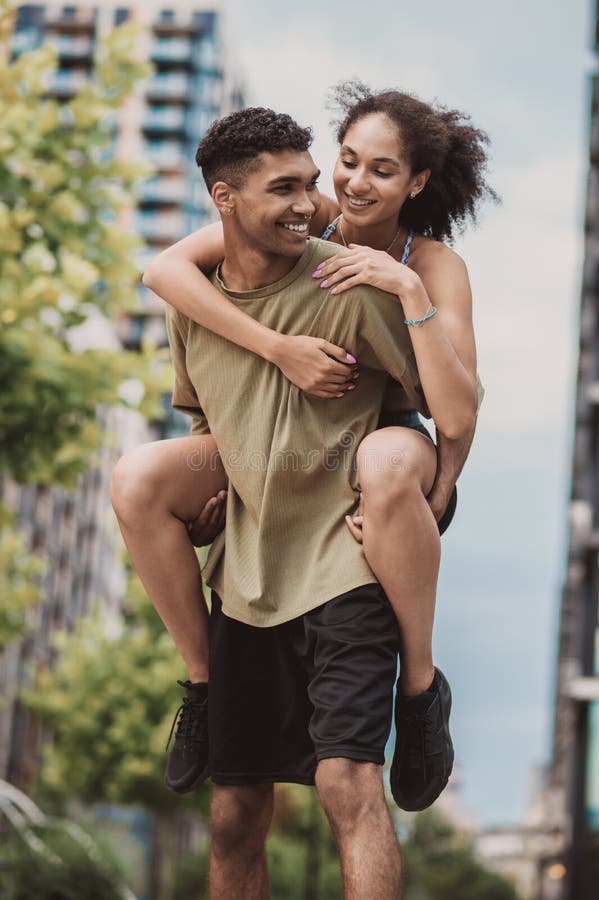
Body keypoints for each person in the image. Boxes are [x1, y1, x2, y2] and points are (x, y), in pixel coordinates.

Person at [122, 84, 492, 810]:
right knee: (138, 478)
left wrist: (406, 291)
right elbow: (163, 271)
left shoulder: (434, 264)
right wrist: (277, 348)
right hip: (279, 440)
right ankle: (202, 684)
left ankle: (417, 693)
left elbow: (456, 410)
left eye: (381, 171)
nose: (354, 183)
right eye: (347, 161)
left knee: (382, 464)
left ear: (415, 182)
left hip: (391, 435)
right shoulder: (310, 217)